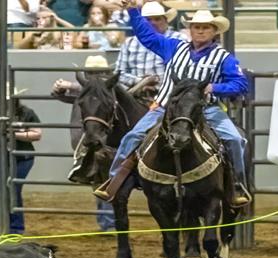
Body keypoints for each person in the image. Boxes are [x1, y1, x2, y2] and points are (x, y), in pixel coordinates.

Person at [92, 1, 250, 207]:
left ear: (214, 31)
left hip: (206, 109)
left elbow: (240, 84)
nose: (200, 31)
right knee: (132, 137)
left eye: (205, 28)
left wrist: (214, 88)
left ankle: (236, 183)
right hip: (166, 107)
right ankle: (115, 180)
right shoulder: (174, 47)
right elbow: (147, 36)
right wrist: (133, 11)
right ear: (190, 29)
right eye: (197, 27)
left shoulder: (223, 57)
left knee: (234, 139)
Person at [0, 88, 41, 234]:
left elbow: (37, 134)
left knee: (12, 193)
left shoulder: (26, 112)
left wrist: (12, 133)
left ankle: (14, 230)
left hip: (19, 159)